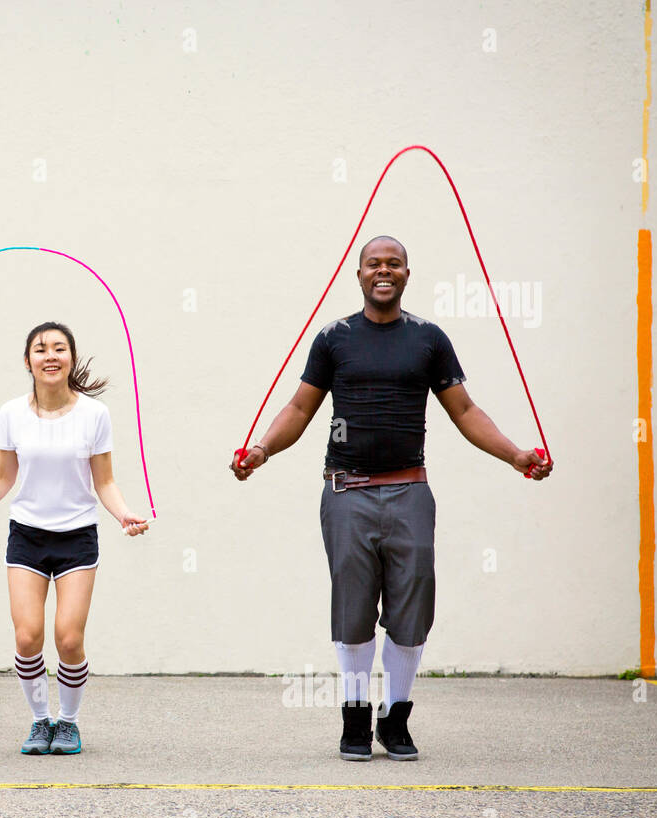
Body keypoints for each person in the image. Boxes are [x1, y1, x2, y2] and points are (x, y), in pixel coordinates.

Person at [231, 236, 552, 761]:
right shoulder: (334, 339)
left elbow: (466, 412)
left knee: (412, 607)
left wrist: (516, 455)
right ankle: (356, 720)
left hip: (410, 490)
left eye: (393, 264)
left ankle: (396, 718)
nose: (384, 271)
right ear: (358, 274)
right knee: (353, 608)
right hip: (346, 491)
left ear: (407, 273)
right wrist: (262, 449)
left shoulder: (428, 339)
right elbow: (299, 407)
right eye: (374, 264)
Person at [0, 322, 150, 755]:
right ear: (28, 361)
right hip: (27, 538)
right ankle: (39, 722)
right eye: (40, 349)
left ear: (71, 357)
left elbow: (104, 482)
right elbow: (3, 477)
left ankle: (67, 723)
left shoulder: (95, 415)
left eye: (58, 348)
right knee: (27, 637)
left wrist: (124, 514)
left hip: (77, 538)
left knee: (69, 638)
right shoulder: (12, 413)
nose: (50, 356)